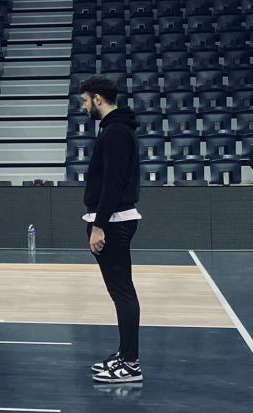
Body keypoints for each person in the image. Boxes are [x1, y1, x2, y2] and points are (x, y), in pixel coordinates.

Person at [78, 75, 143, 384]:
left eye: (85, 100)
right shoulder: (116, 129)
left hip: (114, 223)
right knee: (121, 292)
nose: (84, 106)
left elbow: (112, 186)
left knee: (123, 293)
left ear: (98, 99)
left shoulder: (115, 132)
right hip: (114, 220)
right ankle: (125, 353)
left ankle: (130, 364)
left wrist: (98, 226)